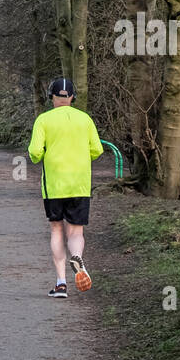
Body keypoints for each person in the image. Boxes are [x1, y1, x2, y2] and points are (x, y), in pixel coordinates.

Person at [28, 77, 103, 298]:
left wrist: (44, 155)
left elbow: (34, 153)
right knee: (76, 231)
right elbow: (97, 150)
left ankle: (61, 283)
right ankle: (77, 257)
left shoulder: (43, 120)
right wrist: (81, 156)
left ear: (51, 96)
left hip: (54, 184)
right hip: (79, 183)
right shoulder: (85, 119)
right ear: (72, 97)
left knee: (56, 229)